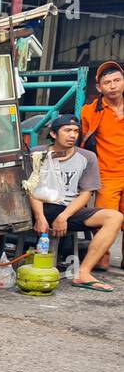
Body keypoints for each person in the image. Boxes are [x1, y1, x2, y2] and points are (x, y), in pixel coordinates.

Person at [29, 114, 122, 292]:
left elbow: (86, 193)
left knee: (115, 217)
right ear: (54, 134)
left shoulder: (87, 157)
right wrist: (40, 217)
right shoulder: (38, 153)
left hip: (69, 210)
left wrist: (64, 216)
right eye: (67, 130)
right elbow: (32, 189)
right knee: (41, 198)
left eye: (76, 131)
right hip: (43, 207)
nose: (72, 135)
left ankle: (83, 273)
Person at [80, 61, 124, 269]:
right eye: (107, 82)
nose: (113, 86)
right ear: (99, 87)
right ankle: (101, 258)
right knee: (105, 220)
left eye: (117, 80)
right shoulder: (89, 111)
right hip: (107, 175)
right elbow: (82, 141)